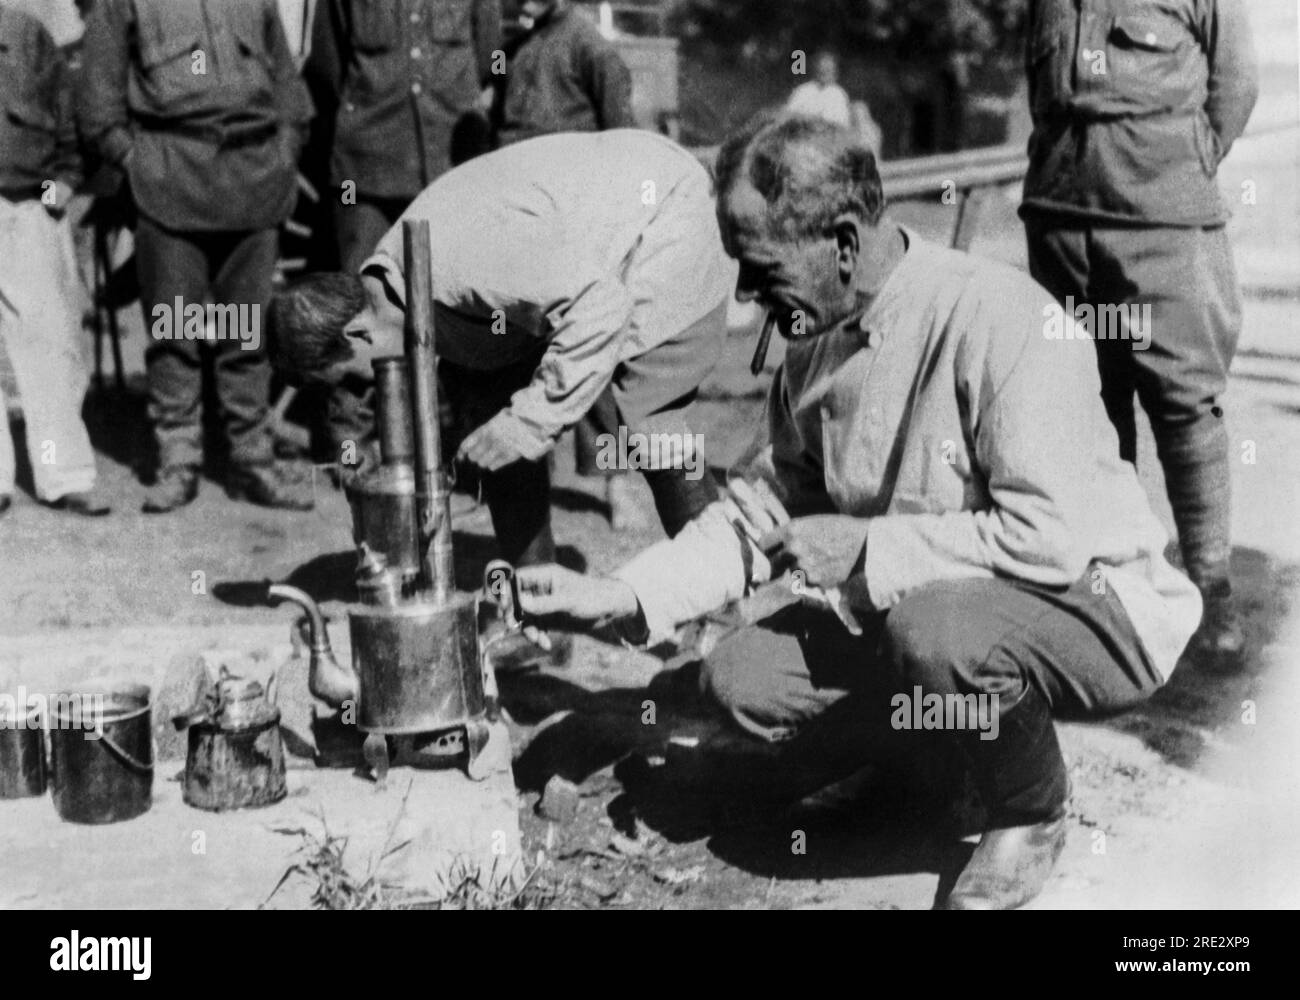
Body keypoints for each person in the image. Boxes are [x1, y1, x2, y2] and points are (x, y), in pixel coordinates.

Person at [508, 116, 1202, 909]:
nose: (743, 295)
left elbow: (1048, 541)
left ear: (842, 241)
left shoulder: (1002, 318)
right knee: (742, 678)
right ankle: (928, 772)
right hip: (933, 609)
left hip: (1093, 608)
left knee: (937, 635)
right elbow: (757, 512)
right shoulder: (814, 336)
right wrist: (623, 596)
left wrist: (866, 547)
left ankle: (1027, 810)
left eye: (759, 266)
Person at [269, 130, 734, 656]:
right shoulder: (396, 283)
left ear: (354, 335)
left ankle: (719, 614)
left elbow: (599, 305)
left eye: (352, 379)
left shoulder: (457, 264)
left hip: (661, 216)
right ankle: (539, 617)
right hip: (590, 245)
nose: (363, 394)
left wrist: (531, 421)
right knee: (493, 400)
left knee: (648, 418)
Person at [1020, 0, 1259, 670]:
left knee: (1185, 403)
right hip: (1061, 219)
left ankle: (1210, 590)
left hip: (1164, 223)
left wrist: (1182, 165)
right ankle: (1113, 585)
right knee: (1087, 407)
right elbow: (1043, 96)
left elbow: (1235, 85)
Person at [79, 0, 315, 512]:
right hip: (170, 183)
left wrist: (285, 152)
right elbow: (98, 108)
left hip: (254, 182)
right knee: (173, 331)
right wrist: (136, 164)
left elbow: (290, 94)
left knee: (245, 332)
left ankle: (252, 460)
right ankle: (178, 459)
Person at [308, 0, 502, 469]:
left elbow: (489, 55)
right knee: (361, 301)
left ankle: (465, 441)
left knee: (465, 303)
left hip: (452, 162)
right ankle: (351, 444)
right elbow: (326, 67)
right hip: (366, 166)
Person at [494, 0, 639, 527]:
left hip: (577, 218)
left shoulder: (590, 46)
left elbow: (625, 139)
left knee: (594, 351)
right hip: (523, 217)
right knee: (527, 348)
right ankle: (529, 471)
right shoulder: (517, 48)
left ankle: (616, 484)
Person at [0, 1, 109, 518]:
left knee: (50, 341)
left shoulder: (26, 34)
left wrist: (64, 181)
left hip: (27, 204)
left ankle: (62, 473)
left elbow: (67, 117)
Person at [786, 50, 851, 127]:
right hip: (801, 131)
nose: (824, 72)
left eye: (828, 69)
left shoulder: (839, 94)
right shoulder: (803, 90)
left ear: (835, 72)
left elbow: (841, 122)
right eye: (822, 68)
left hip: (828, 134)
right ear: (816, 69)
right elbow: (789, 113)